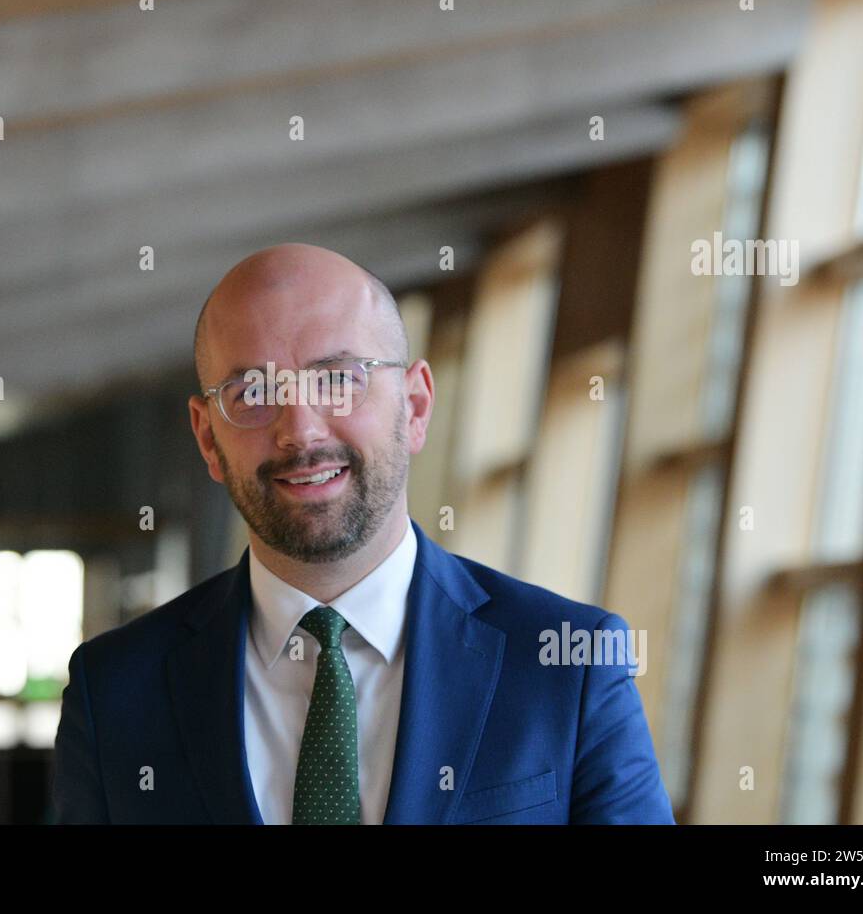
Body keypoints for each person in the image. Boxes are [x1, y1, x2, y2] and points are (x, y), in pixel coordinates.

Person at [53, 243, 674, 824]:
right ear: (208, 438)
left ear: (417, 406)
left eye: (338, 379)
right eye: (253, 392)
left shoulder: (569, 664)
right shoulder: (114, 693)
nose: (301, 430)